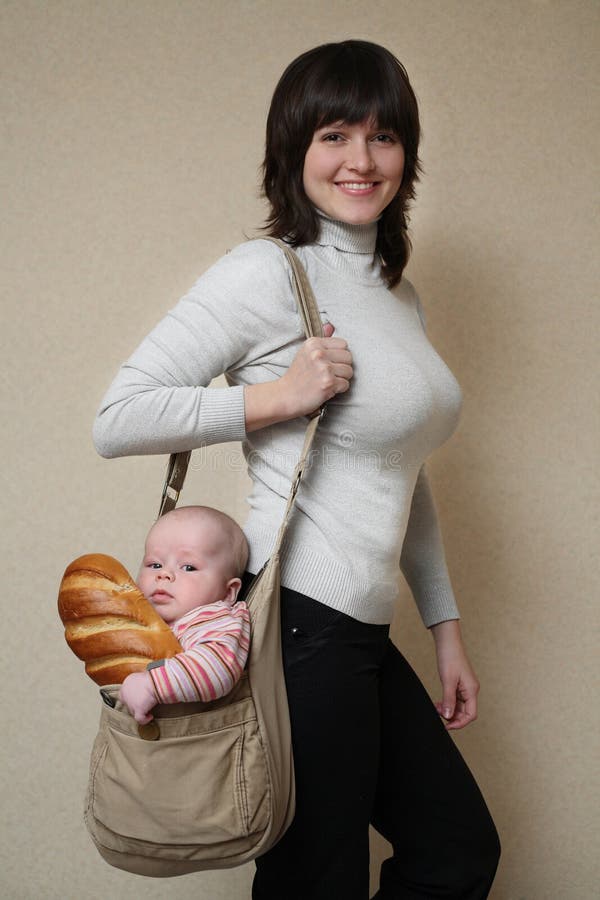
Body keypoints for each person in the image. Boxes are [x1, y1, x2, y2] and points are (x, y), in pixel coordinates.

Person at [94, 39, 500, 900]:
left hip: (359, 633)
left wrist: (445, 628)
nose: (361, 160)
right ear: (293, 149)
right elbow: (117, 417)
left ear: (406, 154)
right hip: (299, 626)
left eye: (384, 136)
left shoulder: (398, 295)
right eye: (334, 135)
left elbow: (401, 465)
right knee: (317, 880)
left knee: (457, 849)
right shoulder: (266, 274)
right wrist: (277, 398)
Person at [119, 505, 250, 725]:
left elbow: (216, 667)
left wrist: (153, 684)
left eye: (188, 567)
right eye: (154, 564)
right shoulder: (148, 618)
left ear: (228, 592)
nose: (164, 574)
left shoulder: (212, 618)